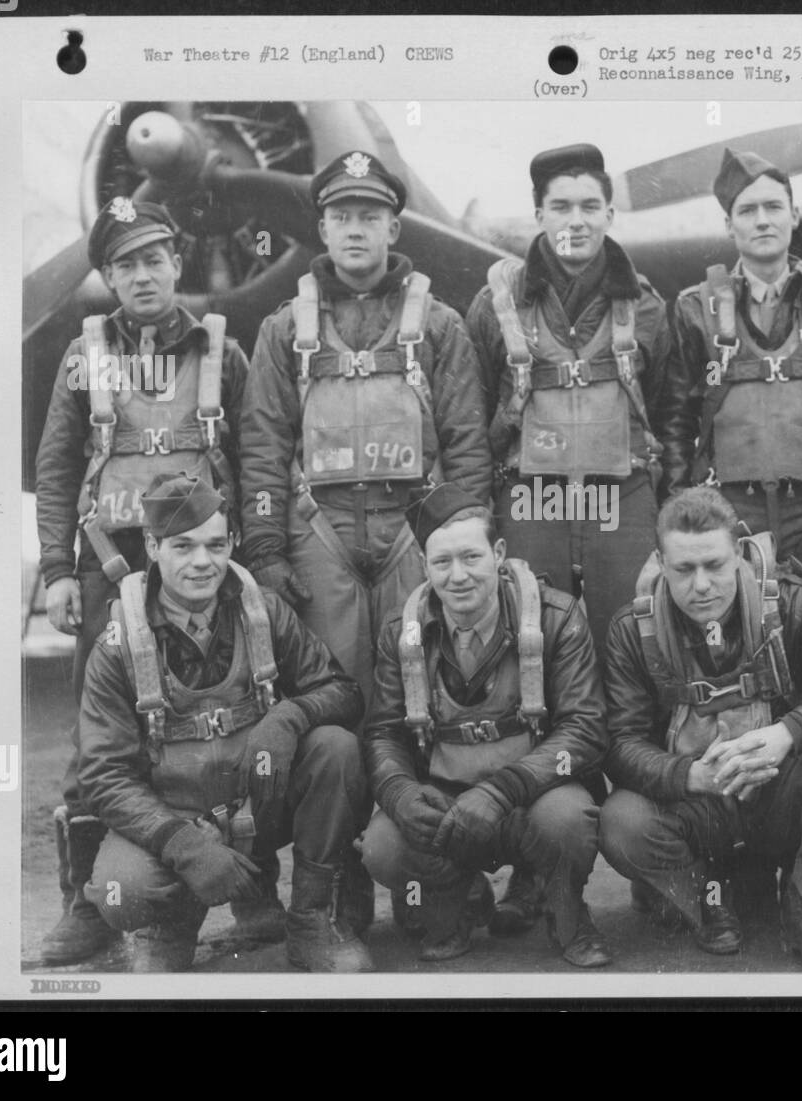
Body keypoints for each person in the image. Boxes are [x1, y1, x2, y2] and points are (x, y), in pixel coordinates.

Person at [240, 150, 492, 929]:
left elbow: (467, 442)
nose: (356, 229)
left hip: (411, 528)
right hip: (322, 533)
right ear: (322, 225)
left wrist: (466, 545)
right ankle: (339, 874)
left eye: (370, 215)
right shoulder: (285, 328)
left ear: (393, 224)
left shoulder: (440, 323)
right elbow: (260, 445)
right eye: (342, 215)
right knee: (336, 713)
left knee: (422, 693)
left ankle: (434, 872)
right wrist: (269, 554)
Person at [34, 198, 249, 964]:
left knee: (234, 712)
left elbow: (255, 460)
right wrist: (59, 569)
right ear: (107, 274)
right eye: (125, 262)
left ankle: (251, 891)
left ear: (177, 263)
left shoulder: (222, 347)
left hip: (207, 569)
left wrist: (262, 564)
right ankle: (84, 907)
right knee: (96, 738)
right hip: (113, 566)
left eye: (154, 257)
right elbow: (57, 466)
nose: (142, 274)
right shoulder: (82, 352)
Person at [78, 473, 373, 972]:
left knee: (335, 748)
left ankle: (310, 920)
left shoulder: (265, 612)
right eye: (183, 546)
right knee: (122, 889)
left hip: (256, 807)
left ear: (232, 542)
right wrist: (182, 843)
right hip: (176, 818)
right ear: (152, 546)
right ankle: (168, 928)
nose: (202, 562)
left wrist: (290, 714)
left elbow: (343, 692)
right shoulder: (116, 646)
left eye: (216, 545)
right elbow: (103, 775)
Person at [599, 487, 802, 970]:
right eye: (684, 569)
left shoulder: (790, 604)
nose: (701, 585)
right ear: (659, 561)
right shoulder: (633, 630)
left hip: (779, 792)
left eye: (715, 565)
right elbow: (618, 744)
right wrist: (689, 775)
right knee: (621, 822)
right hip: (696, 805)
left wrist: (788, 733)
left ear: (738, 551)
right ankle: (707, 899)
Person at [360, 484, 613, 967]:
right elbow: (385, 731)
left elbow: (584, 730)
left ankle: (566, 911)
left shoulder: (557, 617)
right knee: (382, 845)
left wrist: (501, 791)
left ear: (498, 553)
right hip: (446, 801)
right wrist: (399, 793)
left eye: (471, 557)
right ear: (423, 563)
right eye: (442, 562)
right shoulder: (402, 631)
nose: (458, 577)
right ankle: (456, 902)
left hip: (533, 795)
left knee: (568, 821)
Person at [465, 142, 692, 655]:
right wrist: (478, 510)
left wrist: (672, 501)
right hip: (530, 495)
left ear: (609, 214)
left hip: (621, 492)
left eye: (590, 207)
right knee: (532, 637)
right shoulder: (492, 306)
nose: (576, 220)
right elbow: (473, 417)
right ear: (539, 213)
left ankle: (630, 737)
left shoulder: (647, 306)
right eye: (561, 207)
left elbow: (668, 411)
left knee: (634, 636)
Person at [672, 148, 802, 589]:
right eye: (747, 210)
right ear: (728, 224)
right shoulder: (694, 311)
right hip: (726, 515)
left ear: (795, 216)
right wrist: (679, 520)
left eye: (774, 207)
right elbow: (675, 428)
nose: (762, 220)